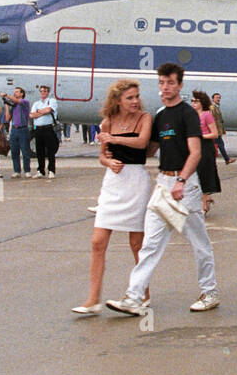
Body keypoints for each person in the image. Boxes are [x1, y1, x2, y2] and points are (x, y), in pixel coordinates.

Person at [106, 63, 220, 317]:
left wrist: (181, 180)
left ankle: (209, 291)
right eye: (161, 82)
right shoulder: (159, 115)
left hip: (185, 186)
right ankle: (134, 297)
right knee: (150, 244)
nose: (165, 87)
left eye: (170, 82)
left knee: (198, 242)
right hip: (163, 184)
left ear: (180, 84)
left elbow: (196, 152)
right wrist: (117, 141)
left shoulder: (187, 114)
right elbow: (149, 150)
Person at [75, 79, 153, 315]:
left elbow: (142, 143)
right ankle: (93, 299)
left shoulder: (144, 118)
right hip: (113, 182)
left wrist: (114, 139)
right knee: (98, 242)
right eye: (130, 97)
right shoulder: (107, 122)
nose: (135, 101)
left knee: (136, 243)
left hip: (136, 180)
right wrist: (109, 161)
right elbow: (102, 156)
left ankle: (143, 293)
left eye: (136, 96)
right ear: (118, 100)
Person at [190, 90, 221, 215]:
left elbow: (215, 133)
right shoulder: (191, 115)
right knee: (194, 174)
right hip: (193, 145)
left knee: (202, 175)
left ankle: (203, 205)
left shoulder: (207, 115)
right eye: (192, 101)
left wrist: (201, 135)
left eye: (196, 101)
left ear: (202, 102)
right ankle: (204, 200)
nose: (193, 103)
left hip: (205, 147)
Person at [2, 88, 33, 178]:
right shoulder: (13, 105)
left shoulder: (24, 102)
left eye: (17, 92)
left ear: (22, 94)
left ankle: (27, 170)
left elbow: (17, 101)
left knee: (25, 151)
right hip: (14, 129)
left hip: (23, 129)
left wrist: (6, 95)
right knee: (14, 151)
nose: (15, 93)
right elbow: (7, 118)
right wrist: (7, 106)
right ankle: (17, 170)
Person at [29, 85, 59, 178]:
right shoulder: (36, 103)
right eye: (41, 91)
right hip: (38, 129)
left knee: (50, 151)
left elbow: (49, 110)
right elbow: (32, 115)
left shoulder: (52, 101)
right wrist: (42, 111)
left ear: (48, 92)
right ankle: (40, 171)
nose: (43, 93)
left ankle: (51, 170)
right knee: (39, 151)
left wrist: (38, 112)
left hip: (48, 128)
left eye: (45, 91)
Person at [211, 92, 232, 164]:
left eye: (219, 98)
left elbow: (219, 120)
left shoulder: (216, 107)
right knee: (220, 144)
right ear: (212, 99)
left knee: (220, 144)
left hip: (218, 130)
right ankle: (227, 159)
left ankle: (227, 159)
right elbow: (212, 119)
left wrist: (222, 129)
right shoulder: (212, 108)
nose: (218, 99)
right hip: (215, 130)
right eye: (217, 98)